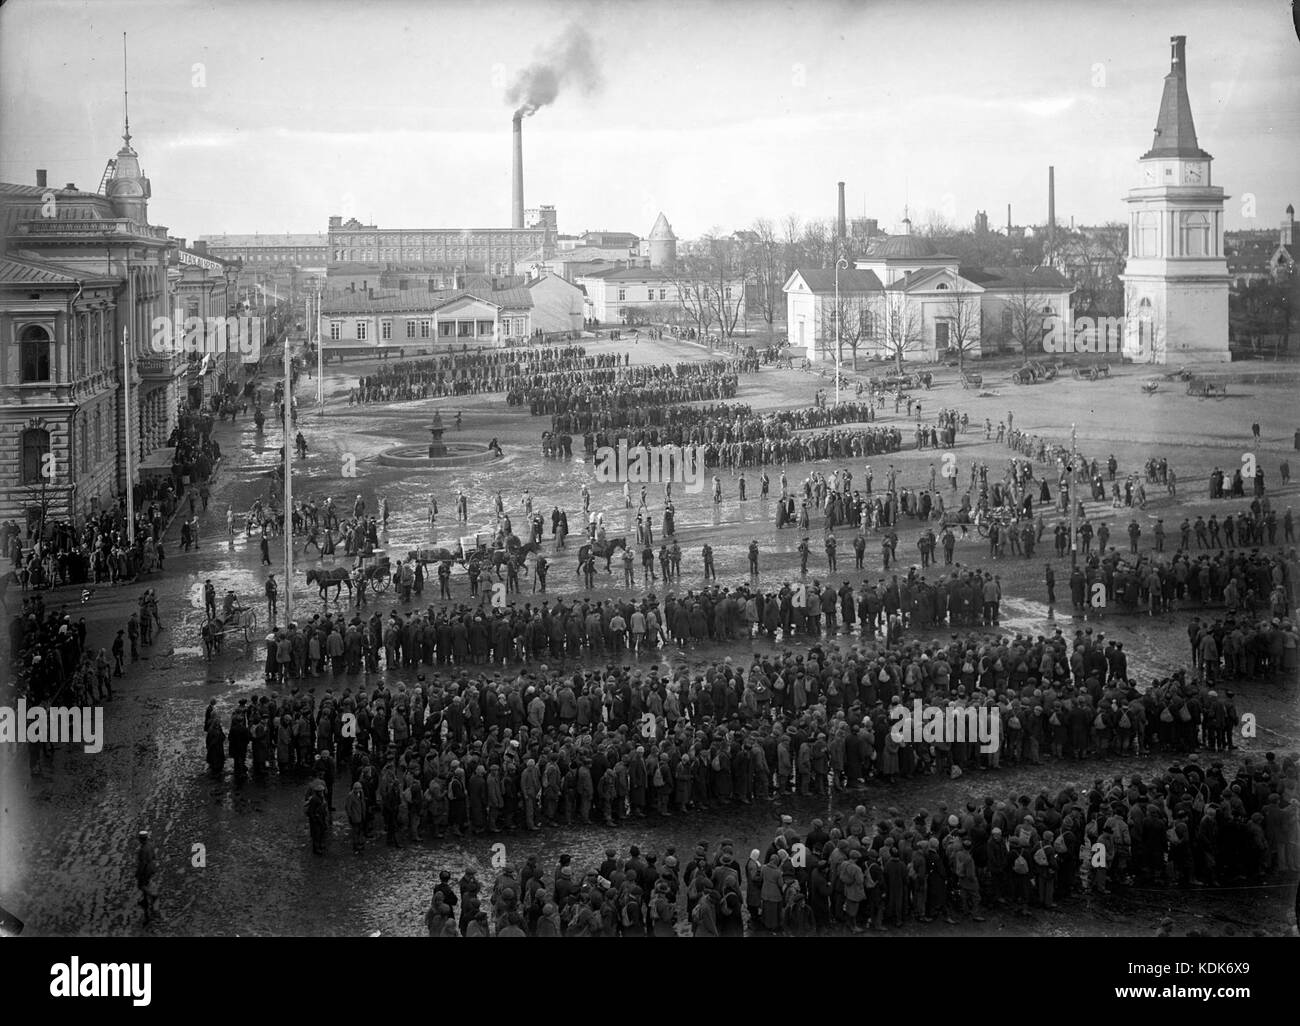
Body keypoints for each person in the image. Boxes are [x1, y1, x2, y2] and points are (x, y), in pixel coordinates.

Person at [136, 830, 160, 925]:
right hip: (151, 867)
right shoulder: (150, 845)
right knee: (147, 882)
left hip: (145, 869)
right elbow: (154, 856)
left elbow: (143, 863)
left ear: (140, 839)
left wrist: (139, 873)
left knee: (141, 885)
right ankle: (145, 900)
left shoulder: (142, 849)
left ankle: (152, 896)